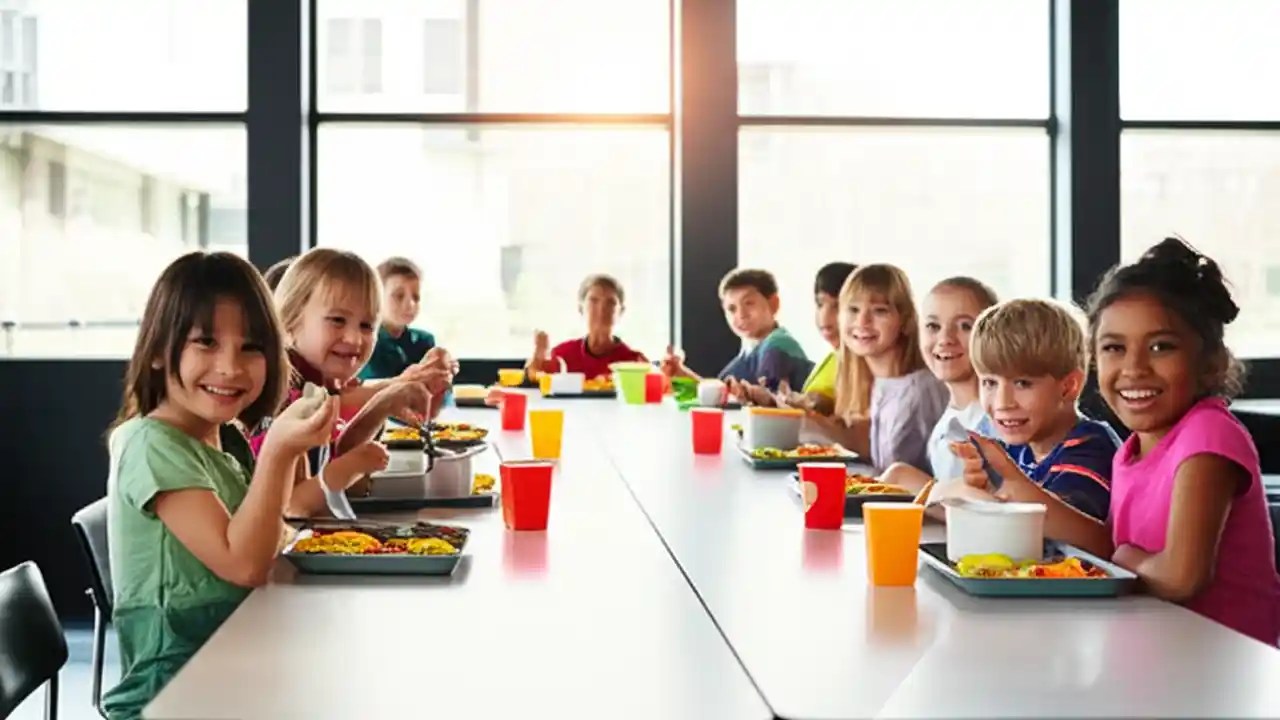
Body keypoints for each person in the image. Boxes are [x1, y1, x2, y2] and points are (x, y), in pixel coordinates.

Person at [103, 251, 338, 719]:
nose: (230, 367)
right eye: (205, 343)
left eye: (251, 346)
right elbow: (245, 565)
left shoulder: (226, 436)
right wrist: (279, 450)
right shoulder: (151, 444)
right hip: (174, 694)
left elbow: (274, 531)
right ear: (155, 352)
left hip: (243, 666)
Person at [807, 264, 948, 473]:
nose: (862, 321)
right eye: (853, 309)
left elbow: (903, 480)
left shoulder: (920, 390)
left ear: (906, 321)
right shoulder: (880, 384)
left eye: (879, 311)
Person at [879, 276, 998, 491]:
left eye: (964, 326)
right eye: (933, 326)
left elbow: (994, 508)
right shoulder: (950, 417)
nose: (945, 338)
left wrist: (905, 479)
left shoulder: (998, 422)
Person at [662, 268, 811, 393]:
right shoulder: (751, 350)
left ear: (774, 304)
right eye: (732, 309)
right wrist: (680, 373)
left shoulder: (777, 345)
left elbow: (769, 402)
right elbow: (720, 396)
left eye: (749, 303)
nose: (741, 315)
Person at [733, 262, 856, 414]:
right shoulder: (832, 357)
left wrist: (792, 402)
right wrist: (772, 400)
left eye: (837, 306)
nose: (825, 317)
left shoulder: (858, 364)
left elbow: (825, 414)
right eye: (820, 304)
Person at [525, 273, 647, 380]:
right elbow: (533, 383)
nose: (602, 308)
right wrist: (538, 356)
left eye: (611, 302)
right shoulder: (562, 355)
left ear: (621, 311)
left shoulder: (634, 363)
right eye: (594, 300)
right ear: (581, 308)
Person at [359, 257, 440, 381]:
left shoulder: (424, 341)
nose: (410, 304)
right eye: (399, 296)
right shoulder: (365, 342)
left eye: (416, 297)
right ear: (376, 298)